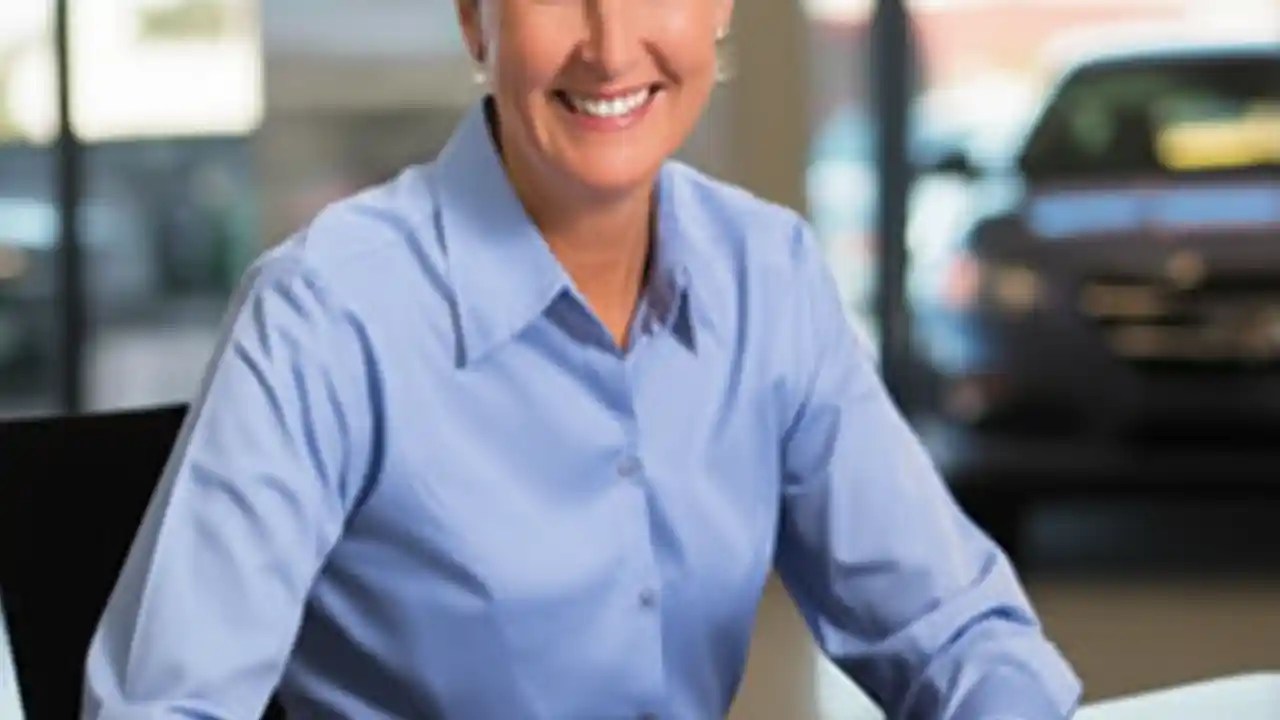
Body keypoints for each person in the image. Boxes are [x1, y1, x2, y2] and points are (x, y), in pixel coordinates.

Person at [83, 0, 1081, 718]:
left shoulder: (765, 273)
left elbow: (958, 637)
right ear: (474, 21)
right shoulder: (325, 313)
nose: (608, 47)